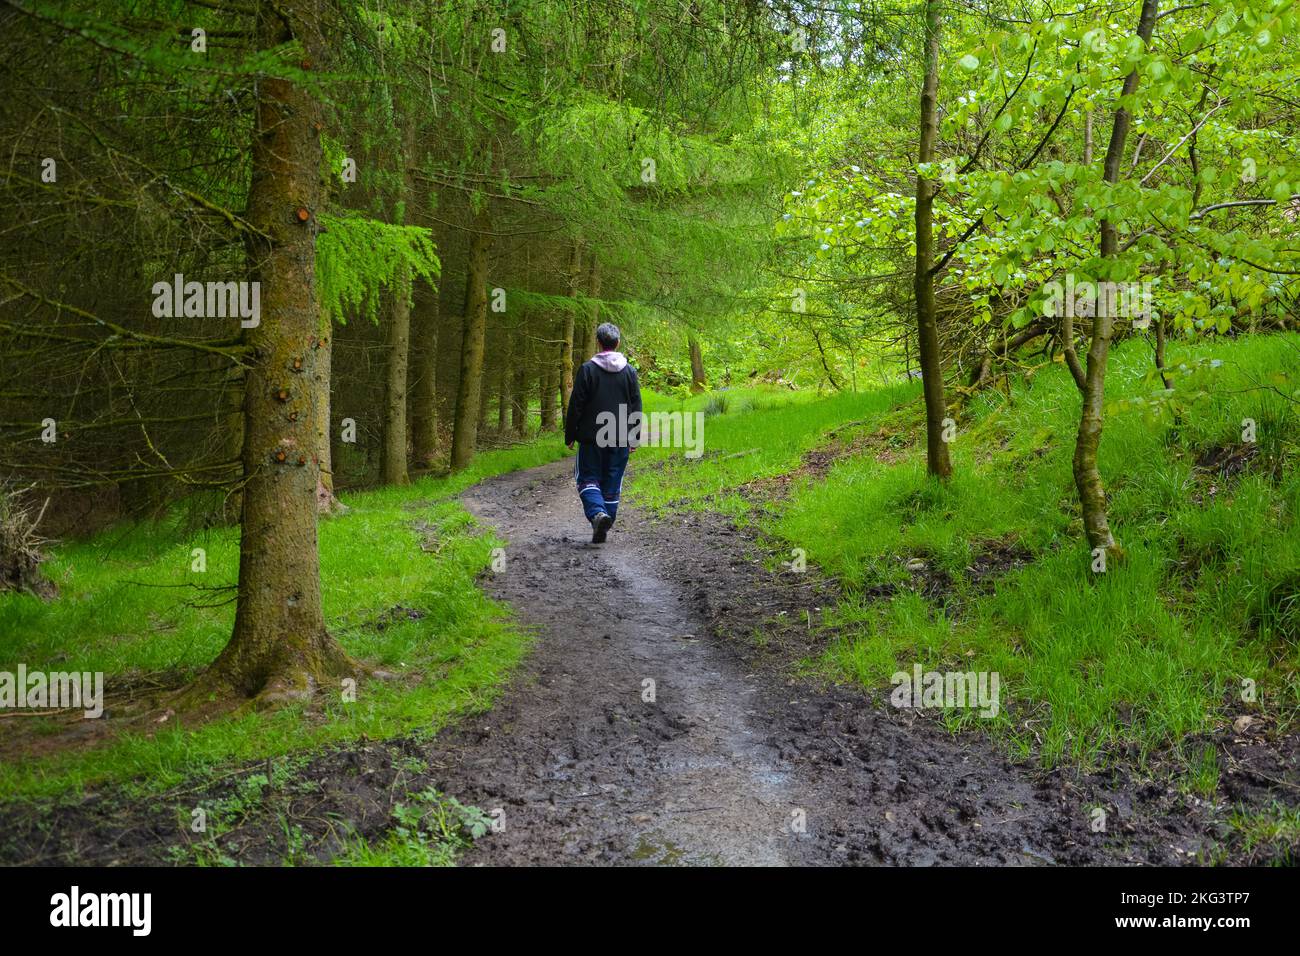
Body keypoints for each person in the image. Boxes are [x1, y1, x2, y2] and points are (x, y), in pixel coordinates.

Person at [564, 322, 641, 543]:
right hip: (619, 436)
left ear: (598, 343)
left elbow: (576, 405)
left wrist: (570, 435)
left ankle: (598, 515)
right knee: (612, 483)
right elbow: (636, 406)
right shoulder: (629, 372)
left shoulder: (587, 370)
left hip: (591, 438)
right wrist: (633, 437)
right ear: (617, 343)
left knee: (587, 479)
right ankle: (604, 522)